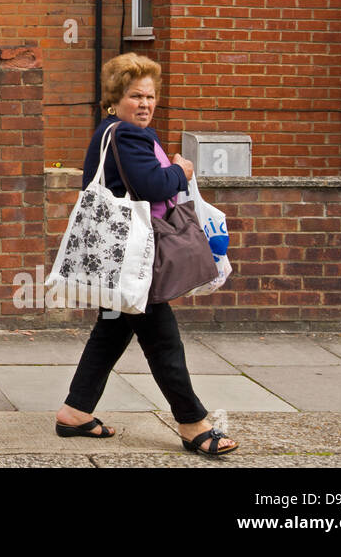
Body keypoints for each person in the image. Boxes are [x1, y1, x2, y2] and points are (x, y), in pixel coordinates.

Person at [54, 53, 238, 456]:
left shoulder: (107, 133)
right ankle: (194, 424)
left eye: (151, 97)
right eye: (136, 95)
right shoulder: (128, 136)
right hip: (138, 256)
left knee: (112, 329)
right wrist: (181, 171)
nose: (145, 104)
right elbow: (155, 187)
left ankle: (75, 411)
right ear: (116, 97)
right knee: (163, 340)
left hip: (120, 254)